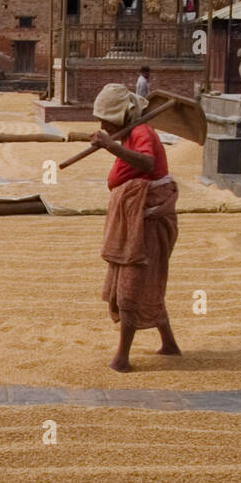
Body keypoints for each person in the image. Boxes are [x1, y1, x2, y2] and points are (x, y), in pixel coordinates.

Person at [90, 83, 180, 373]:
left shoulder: (142, 132)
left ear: (123, 115)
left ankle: (122, 357)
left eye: (107, 119)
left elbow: (147, 161)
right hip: (134, 216)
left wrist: (111, 146)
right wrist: (110, 144)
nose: (103, 124)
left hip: (147, 217)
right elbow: (130, 164)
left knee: (134, 280)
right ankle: (169, 344)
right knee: (143, 279)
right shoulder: (130, 132)